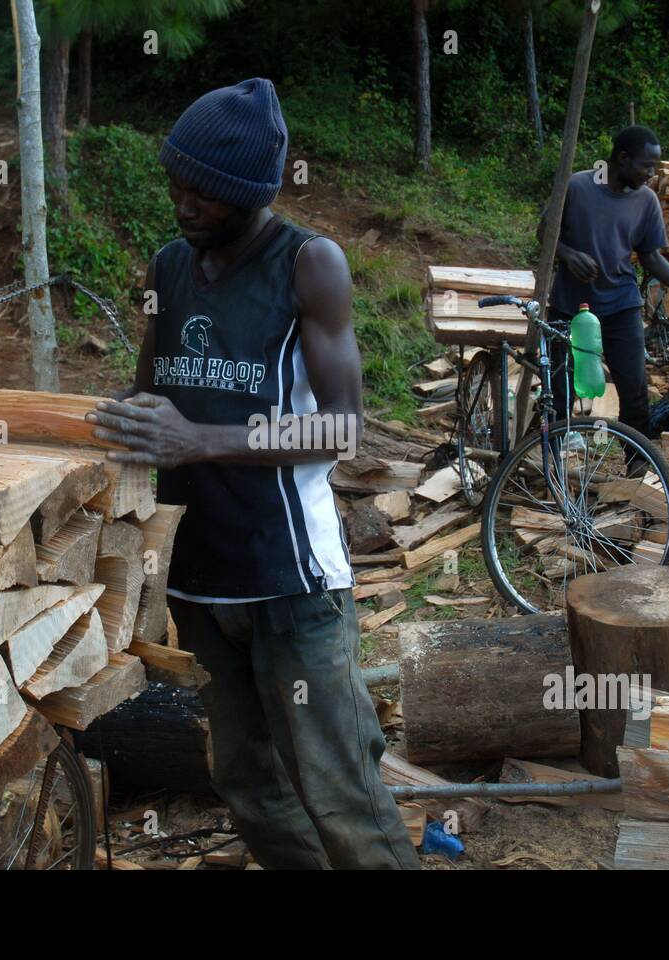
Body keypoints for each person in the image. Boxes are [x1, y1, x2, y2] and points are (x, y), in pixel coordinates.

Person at [84, 78, 419, 870]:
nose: (183, 204)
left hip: (289, 579)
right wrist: (118, 418)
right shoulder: (169, 268)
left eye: (200, 193)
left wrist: (198, 439)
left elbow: (342, 426)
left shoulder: (308, 264)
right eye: (175, 185)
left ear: (245, 193)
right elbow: (151, 391)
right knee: (246, 780)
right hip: (198, 577)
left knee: (338, 787)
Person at [538, 125, 669, 437]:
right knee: (560, 388)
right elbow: (544, 234)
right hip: (570, 305)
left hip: (620, 306)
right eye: (646, 166)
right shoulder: (578, 186)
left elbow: (650, 256)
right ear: (623, 159)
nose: (651, 174)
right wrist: (568, 255)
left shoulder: (646, 201)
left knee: (635, 391)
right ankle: (550, 457)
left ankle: (638, 464)